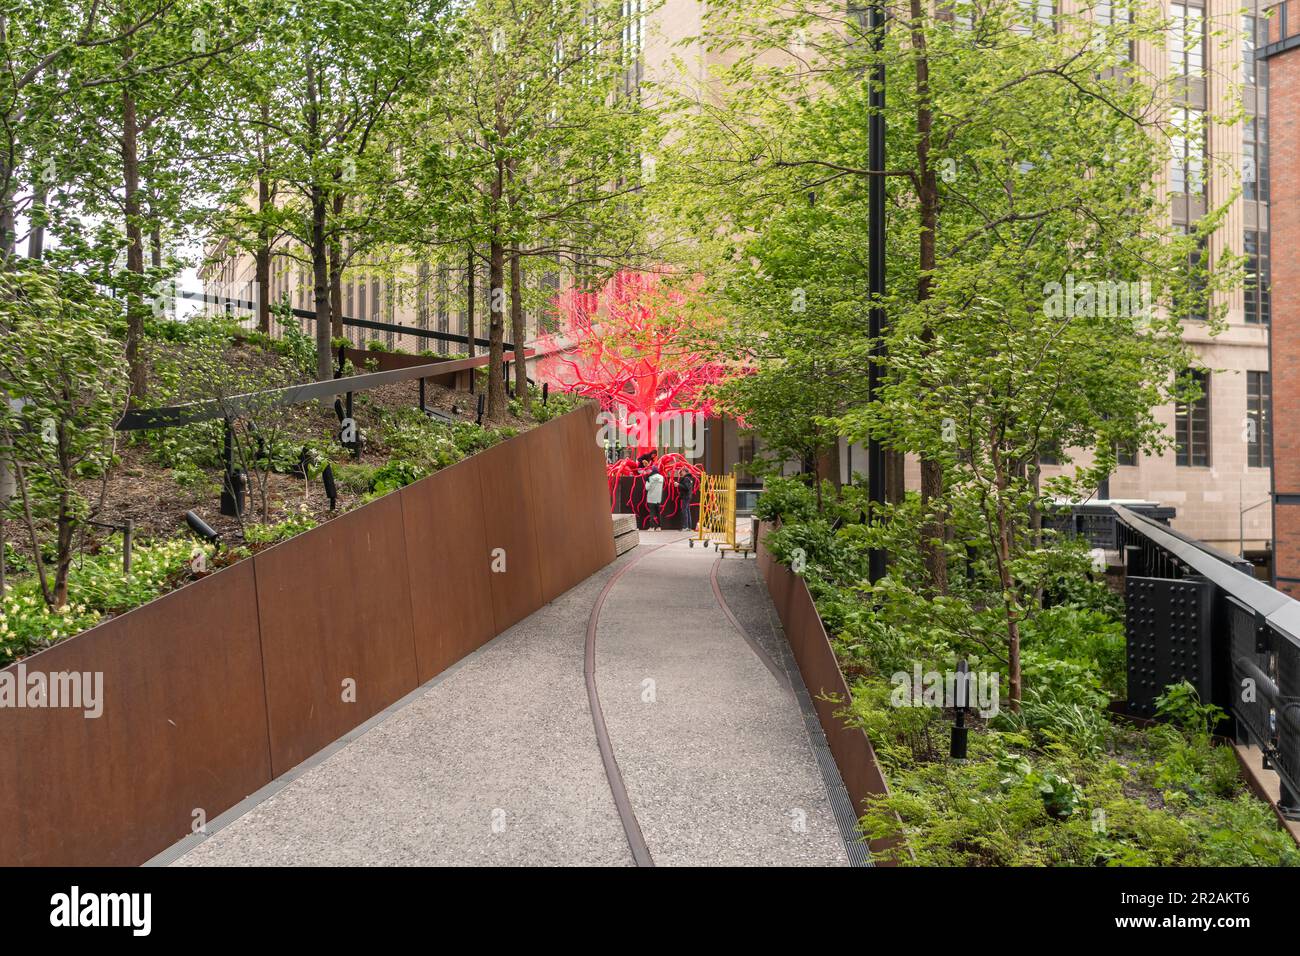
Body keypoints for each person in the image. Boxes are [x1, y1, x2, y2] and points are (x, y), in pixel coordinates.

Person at [644, 466, 664, 531]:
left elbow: (647, 488)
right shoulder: (661, 477)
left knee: (652, 512)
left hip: (651, 498)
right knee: (658, 512)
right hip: (658, 498)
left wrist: (647, 482)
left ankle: (652, 527)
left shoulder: (650, 478)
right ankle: (659, 527)